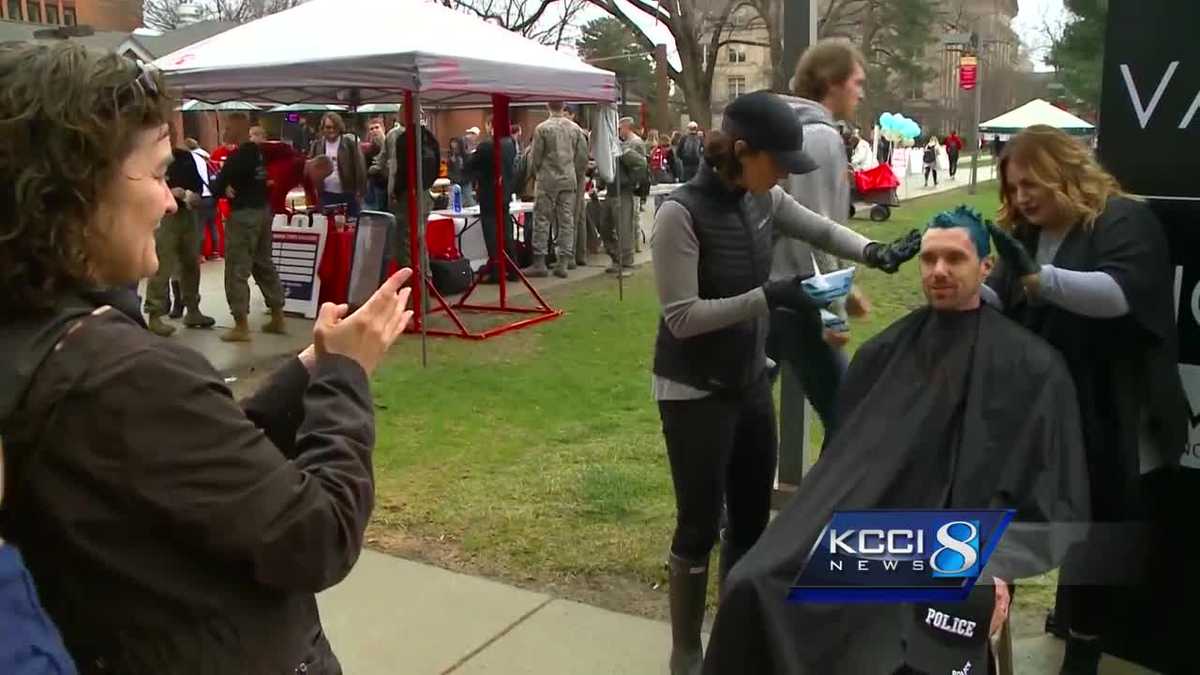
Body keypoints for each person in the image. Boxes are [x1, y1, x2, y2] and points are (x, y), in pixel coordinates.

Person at [0, 42, 415, 674]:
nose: (170, 200)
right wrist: (347, 378)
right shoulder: (118, 373)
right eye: (155, 172)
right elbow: (318, 533)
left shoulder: (35, 338)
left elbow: (199, 461)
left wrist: (308, 369)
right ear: (72, 187)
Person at [702, 207, 1092, 675]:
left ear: (985, 267)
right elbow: (843, 468)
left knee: (908, 619)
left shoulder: (1029, 366)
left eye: (955, 258)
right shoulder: (884, 354)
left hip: (953, 543)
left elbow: (1047, 493)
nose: (940, 271)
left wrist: (999, 566)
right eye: (929, 260)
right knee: (753, 583)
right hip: (868, 530)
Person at [651, 90, 922, 675]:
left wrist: (877, 251)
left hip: (749, 379)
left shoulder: (764, 196)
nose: (782, 177)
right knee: (699, 526)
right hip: (692, 390)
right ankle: (685, 652)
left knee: (750, 522)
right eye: (776, 162)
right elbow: (682, 317)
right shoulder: (680, 213)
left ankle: (733, 641)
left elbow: (821, 229)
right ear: (741, 151)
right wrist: (769, 296)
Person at [982, 125, 1186, 675]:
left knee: (1098, 531)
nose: (1021, 197)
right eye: (1013, 187)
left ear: (1063, 170)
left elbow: (1120, 295)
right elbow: (1002, 300)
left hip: (1114, 410)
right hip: (1046, 413)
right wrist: (955, 278)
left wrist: (1037, 279)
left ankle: (1086, 648)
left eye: (1031, 183)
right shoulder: (1023, 233)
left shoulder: (1124, 220)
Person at [775, 39, 870, 440]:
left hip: (772, 292)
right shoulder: (820, 138)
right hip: (795, 300)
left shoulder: (795, 129)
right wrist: (834, 310)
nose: (861, 93)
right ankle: (829, 502)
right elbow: (815, 232)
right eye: (857, 82)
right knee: (851, 419)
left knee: (740, 413)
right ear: (833, 83)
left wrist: (845, 293)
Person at [212, 124, 289, 342]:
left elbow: (217, 186)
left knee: (237, 268)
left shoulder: (236, 158)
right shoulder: (259, 156)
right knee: (264, 263)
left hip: (243, 214)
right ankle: (277, 315)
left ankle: (241, 324)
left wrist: (225, 187)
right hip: (263, 211)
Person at [143, 132, 217, 337]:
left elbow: (200, 188)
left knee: (191, 263)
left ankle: (192, 309)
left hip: (188, 214)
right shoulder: (151, 157)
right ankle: (155, 315)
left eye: (172, 132)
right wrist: (166, 190)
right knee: (162, 264)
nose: (170, 137)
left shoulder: (185, 158)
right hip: (165, 216)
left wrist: (193, 196)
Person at [525, 101, 589, 278]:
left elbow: (535, 157)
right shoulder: (576, 129)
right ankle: (564, 261)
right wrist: (571, 171)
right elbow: (582, 158)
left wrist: (537, 172)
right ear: (563, 107)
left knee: (542, 219)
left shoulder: (542, 128)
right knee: (566, 219)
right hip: (568, 179)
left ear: (547, 107)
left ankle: (539, 262)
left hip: (547, 179)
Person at [465, 121, 518, 283]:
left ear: (490, 126)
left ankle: (496, 271)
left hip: (489, 195)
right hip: (505, 193)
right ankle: (513, 268)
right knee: (506, 231)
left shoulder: (486, 146)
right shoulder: (510, 144)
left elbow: (469, 167)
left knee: (492, 234)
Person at [600, 116, 648, 277]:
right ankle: (615, 257)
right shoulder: (606, 150)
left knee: (624, 229)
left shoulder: (622, 149)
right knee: (604, 226)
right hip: (610, 192)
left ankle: (626, 262)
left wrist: (631, 182)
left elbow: (641, 163)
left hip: (623, 192)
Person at [390, 119, 440, 270]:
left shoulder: (404, 139)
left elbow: (403, 170)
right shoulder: (430, 137)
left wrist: (397, 191)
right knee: (419, 238)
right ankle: (425, 277)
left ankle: (411, 282)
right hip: (424, 191)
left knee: (405, 240)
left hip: (409, 194)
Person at [309, 112, 367, 217]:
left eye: (334, 127)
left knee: (351, 224)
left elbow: (360, 167)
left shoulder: (350, 143)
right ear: (322, 128)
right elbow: (311, 168)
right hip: (326, 194)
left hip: (348, 193)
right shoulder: (317, 145)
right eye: (328, 127)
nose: (331, 130)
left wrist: (360, 191)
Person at [363, 117, 388, 210]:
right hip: (377, 187)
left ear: (383, 129)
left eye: (377, 127)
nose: (374, 131)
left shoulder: (391, 143)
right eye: (371, 129)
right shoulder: (368, 150)